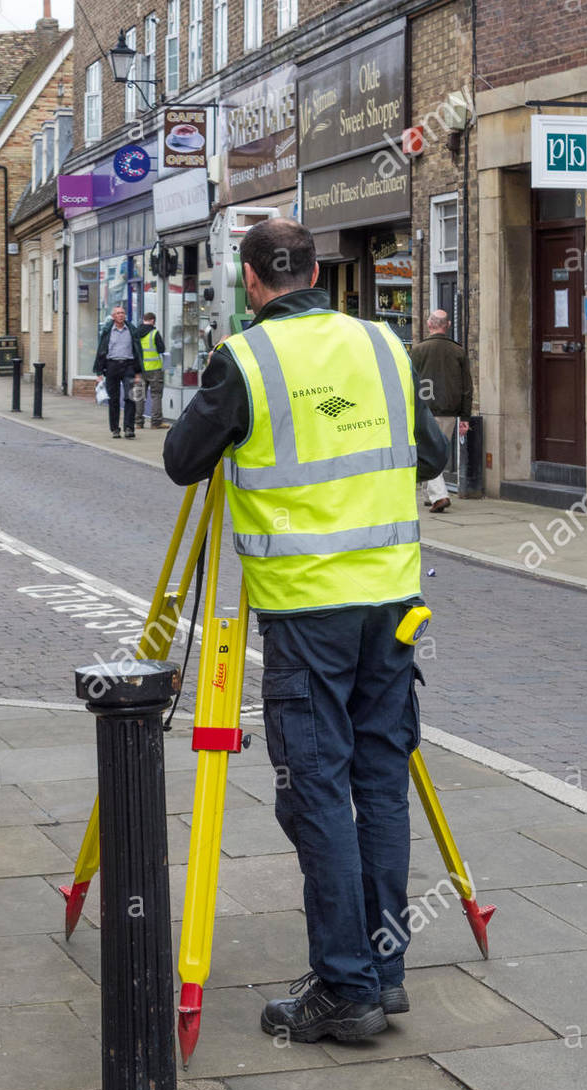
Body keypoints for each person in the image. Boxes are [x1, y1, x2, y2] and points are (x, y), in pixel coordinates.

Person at [164, 219, 447, 1045]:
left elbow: (184, 459)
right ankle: (384, 972)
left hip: (305, 610)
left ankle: (345, 989)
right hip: (393, 604)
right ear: (317, 271)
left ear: (253, 282)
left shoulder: (244, 359)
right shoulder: (384, 345)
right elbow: (427, 458)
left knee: (316, 789)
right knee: (380, 782)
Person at [409, 309, 473, 513]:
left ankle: (440, 496)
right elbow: (467, 387)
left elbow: (409, 382)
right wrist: (465, 417)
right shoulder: (458, 351)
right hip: (449, 412)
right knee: (436, 452)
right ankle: (429, 495)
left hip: (424, 410)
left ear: (429, 325)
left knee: (428, 452)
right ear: (448, 326)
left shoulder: (418, 351)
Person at [93, 305, 144, 439]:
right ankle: (115, 428)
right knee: (113, 399)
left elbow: (138, 351)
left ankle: (129, 428)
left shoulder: (131, 330)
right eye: (118, 313)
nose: (121, 315)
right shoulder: (107, 331)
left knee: (130, 397)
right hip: (112, 366)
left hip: (129, 366)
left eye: (122, 313)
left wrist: (138, 372)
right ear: (113, 316)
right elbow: (101, 351)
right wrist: (99, 372)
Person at [138, 311, 167, 429]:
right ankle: (156, 422)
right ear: (153, 321)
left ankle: (138, 422)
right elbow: (161, 349)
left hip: (139, 369)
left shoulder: (136, 333)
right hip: (154, 369)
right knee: (156, 395)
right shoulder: (154, 333)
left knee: (139, 396)